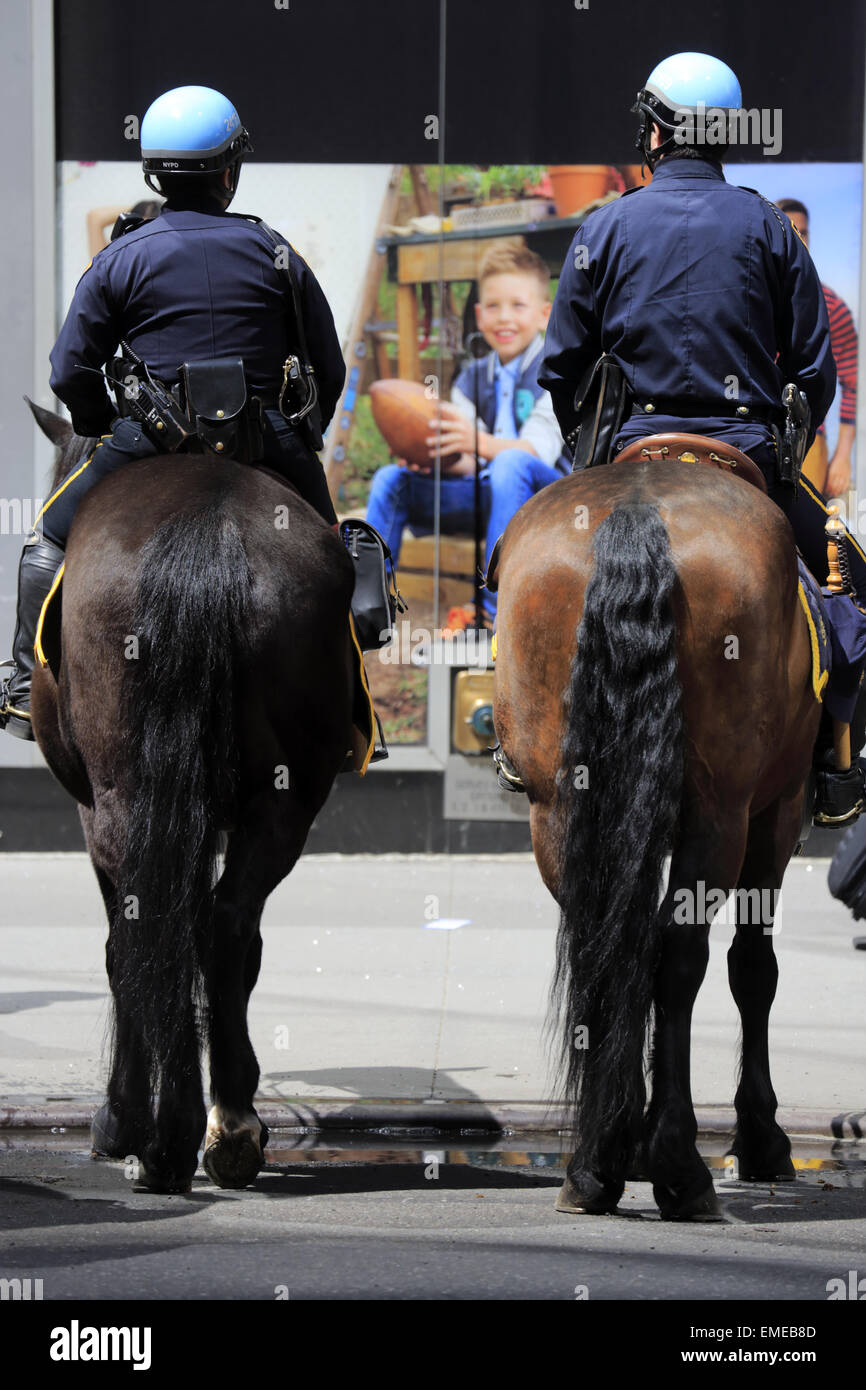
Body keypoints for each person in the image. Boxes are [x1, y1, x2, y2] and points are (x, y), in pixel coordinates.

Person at [0, 85, 390, 754]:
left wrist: (99, 424)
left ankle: (18, 683)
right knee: (331, 548)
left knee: (47, 541)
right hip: (266, 443)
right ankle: (355, 704)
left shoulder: (119, 258)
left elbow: (69, 372)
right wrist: (303, 440)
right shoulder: (276, 253)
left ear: (154, 173)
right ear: (230, 172)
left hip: (147, 443)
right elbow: (327, 366)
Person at [540, 50, 866, 825]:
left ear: (652, 132)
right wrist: (785, 452)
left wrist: (587, 453)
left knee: (515, 564)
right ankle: (836, 763)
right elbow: (816, 371)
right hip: (747, 456)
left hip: (630, 447)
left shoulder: (605, 223)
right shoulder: (768, 225)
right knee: (851, 581)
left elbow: (561, 366)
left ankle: (526, 740)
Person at [365, 243, 569, 629]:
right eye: (493, 306)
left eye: (517, 305)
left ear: (545, 314)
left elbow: (535, 453)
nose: (503, 317)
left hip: (545, 501)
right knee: (391, 480)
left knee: (510, 462)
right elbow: (467, 460)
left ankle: (491, 616)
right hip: (489, 498)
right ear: (478, 315)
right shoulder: (471, 378)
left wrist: (476, 443)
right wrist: (429, 455)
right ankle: (365, 608)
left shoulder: (555, 373)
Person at [776, 198, 858, 499]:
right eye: (789, 228)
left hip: (806, 442)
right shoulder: (748, 300)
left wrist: (842, 456)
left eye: (804, 231)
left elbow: (853, 380)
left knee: (810, 538)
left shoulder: (831, 306)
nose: (798, 237)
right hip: (751, 434)